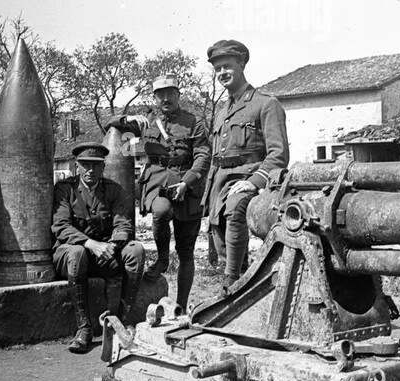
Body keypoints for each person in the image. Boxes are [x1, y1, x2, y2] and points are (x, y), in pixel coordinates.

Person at [105, 75, 211, 309]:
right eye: (160, 94)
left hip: (187, 185)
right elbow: (111, 126)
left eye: (170, 93)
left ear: (178, 94)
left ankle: (181, 306)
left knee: (186, 252)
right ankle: (162, 258)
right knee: (161, 212)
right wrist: (127, 119)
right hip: (157, 182)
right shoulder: (146, 121)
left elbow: (203, 156)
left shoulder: (194, 122)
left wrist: (188, 182)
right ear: (154, 97)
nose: (165, 98)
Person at [201, 40, 289, 286]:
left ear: (242, 64)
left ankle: (230, 282)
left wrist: (254, 182)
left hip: (247, 179)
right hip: (219, 181)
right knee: (217, 230)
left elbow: (278, 154)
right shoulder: (222, 111)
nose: (221, 74)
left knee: (235, 207)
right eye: (217, 69)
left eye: (227, 67)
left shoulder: (266, 104)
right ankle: (240, 283)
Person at [52, 142, 145, 353]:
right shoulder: (65, 189)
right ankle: (84, 329)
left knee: (136, 251)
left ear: (103, 167)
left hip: (105, 253)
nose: (90, 171)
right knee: (77, 253)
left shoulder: (113, 190)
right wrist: (91, 244)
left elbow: (123, 222)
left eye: (95, 165)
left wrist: (112, 245)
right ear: (77, 166)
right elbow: (61, 226)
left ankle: (120, 322)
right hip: (72, 254)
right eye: (85, 165)